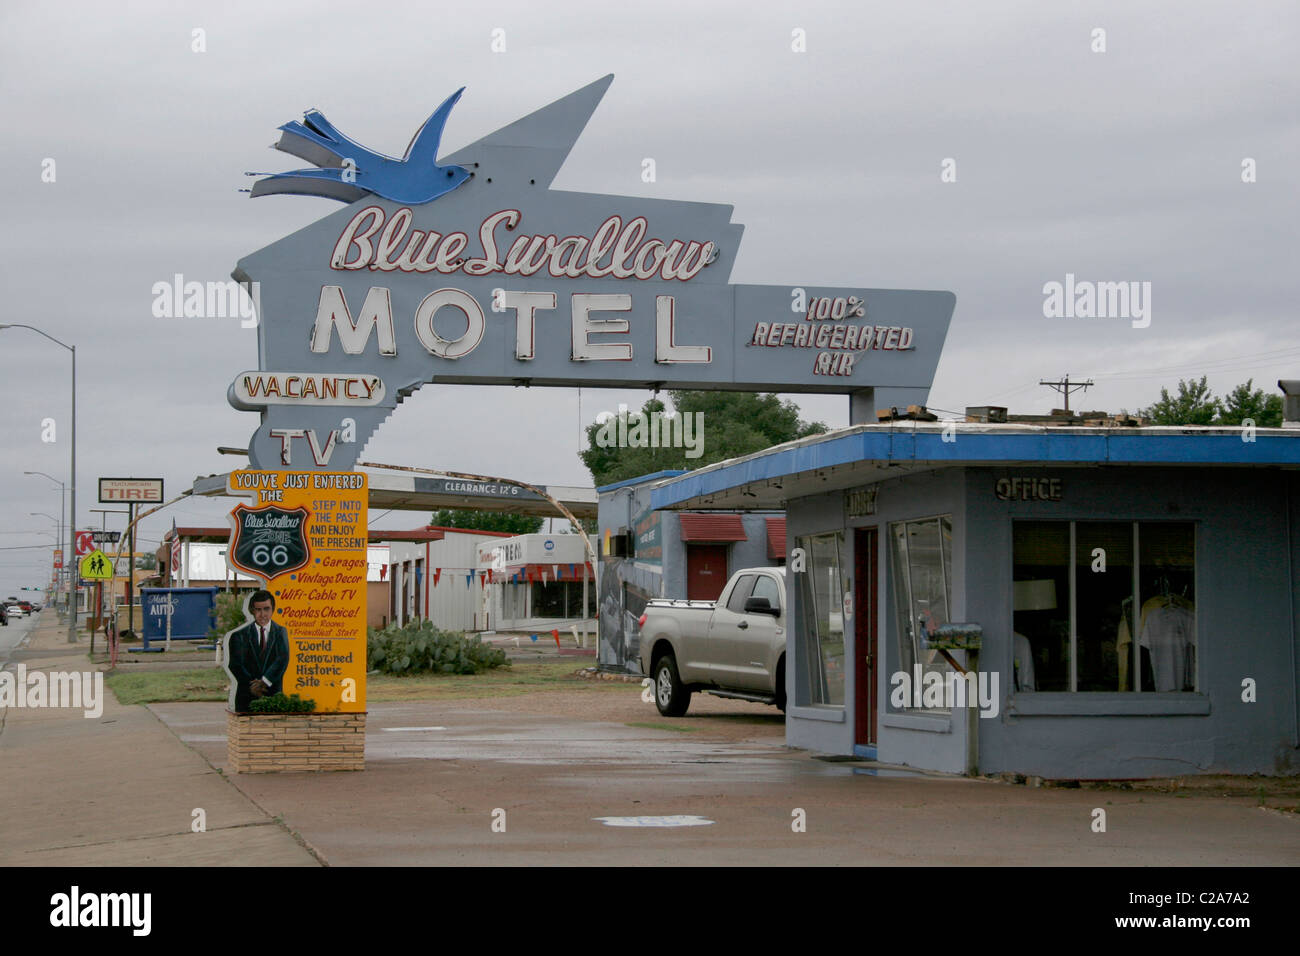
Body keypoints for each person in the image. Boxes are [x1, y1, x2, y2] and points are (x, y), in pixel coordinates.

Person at [225, 590, 290, 712]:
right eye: (258, 610)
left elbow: (282, 659)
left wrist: (264, 682)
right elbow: (235, 664)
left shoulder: (281, 632)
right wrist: (252, 686)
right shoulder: (239, 636)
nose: (262, 614)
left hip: (273, 695)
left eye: (266, 609)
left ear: (273, 609)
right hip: (246, 697)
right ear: (252, 611)